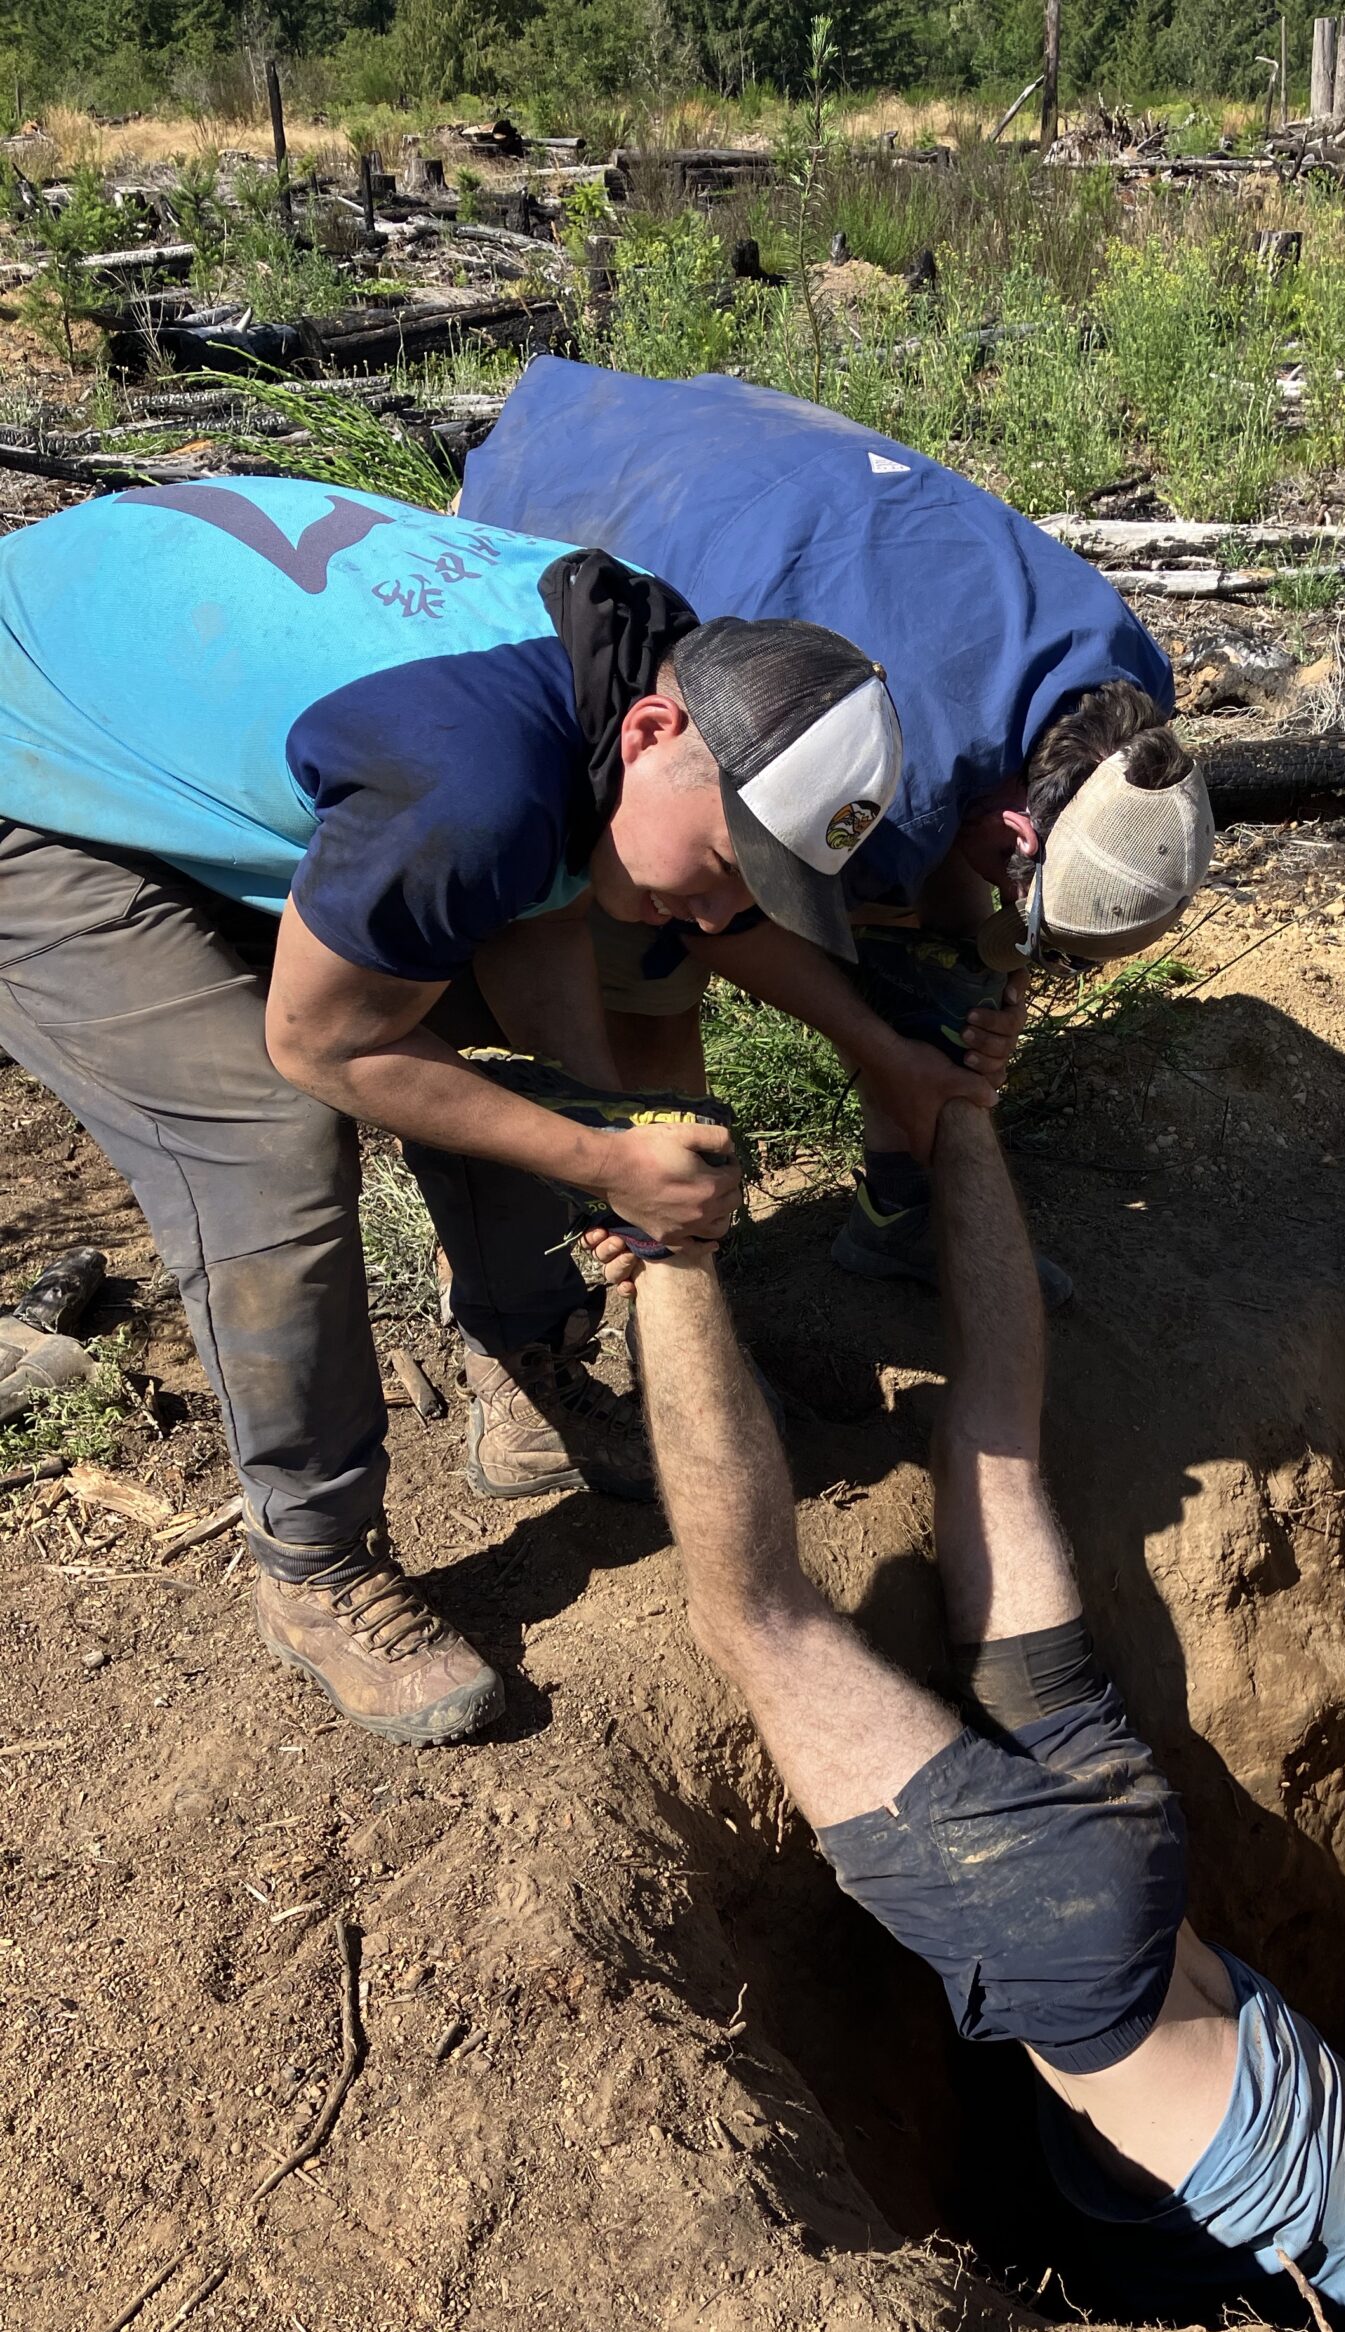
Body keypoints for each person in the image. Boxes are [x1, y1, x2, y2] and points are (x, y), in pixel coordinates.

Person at [0, 472, 978, 1747]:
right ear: (651, 737)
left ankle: (528, 1367)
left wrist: (597, 1137)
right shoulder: (473, 772)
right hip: (34, 757)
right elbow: (320, 1042)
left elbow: (535, 896)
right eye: (732, 869)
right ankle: (315, 1560)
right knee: (265, 1135)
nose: (718, 921)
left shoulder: (638, 652)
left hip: (163, 668)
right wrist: (595, 1153)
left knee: (507, 1059)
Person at [615, 1104, 1345, 2332]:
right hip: (1067, 1948)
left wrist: (952, 1089)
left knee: (1000, 1443)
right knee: (759, 1621)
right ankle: (676, 1253)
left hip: (1143, 1856)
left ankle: (956, 1106)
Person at [463, 362, 1217, 1304]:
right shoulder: (880, 783)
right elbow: (720, 919)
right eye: (1024, 901)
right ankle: (658, 1278)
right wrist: (887, 1050)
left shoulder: (1125, 679)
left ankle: (902, 1215)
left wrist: (945, 1001)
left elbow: (950, 854)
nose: (1016, 932)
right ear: (1022, 819)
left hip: (753, 461)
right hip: (581, 485)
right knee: (648, 952)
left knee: (937, 957)